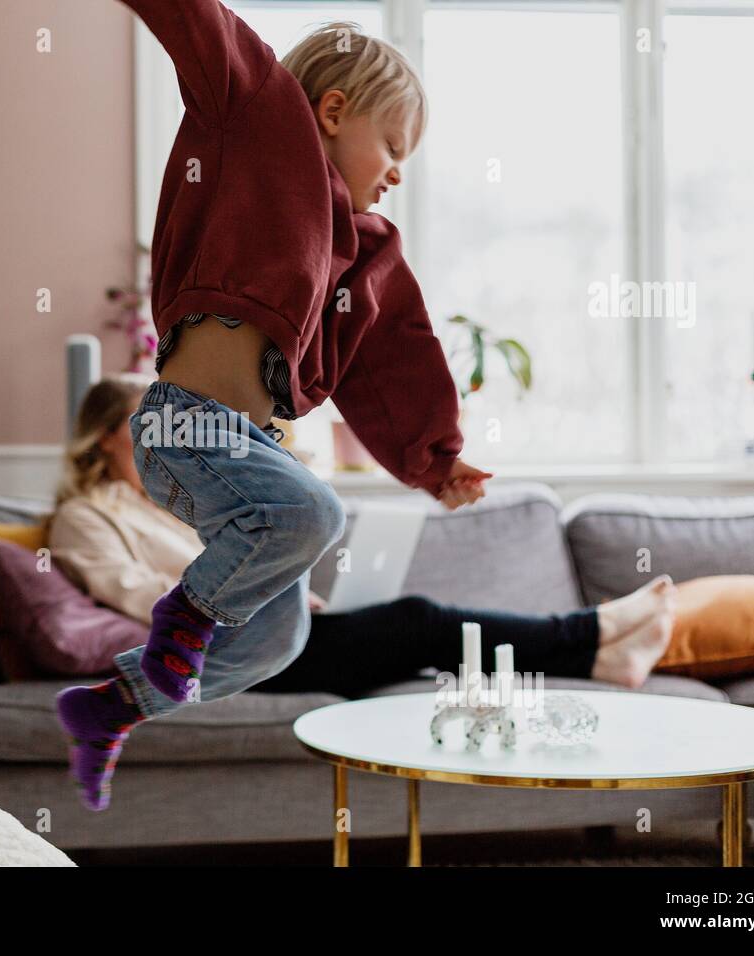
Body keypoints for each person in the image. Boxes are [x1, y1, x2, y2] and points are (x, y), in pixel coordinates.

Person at [56, 5, 508, 810]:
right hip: (183, 427)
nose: (399, 171)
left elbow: (393, 357)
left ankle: (111, 706)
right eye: (394, 147)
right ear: (334, 111)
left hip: (251, 453)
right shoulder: (256, 114)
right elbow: (198, 23)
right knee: (315, 515)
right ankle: (184, 621)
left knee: (279, 638)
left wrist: (434, 461)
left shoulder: (368, 248)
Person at [53, 379, 675, 810]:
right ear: (109, 436)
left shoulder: (178, 497)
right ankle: (590, 634)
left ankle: (595, 654)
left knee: (414, 634)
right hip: (225, 647)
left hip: (259, 620)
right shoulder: (85, 516)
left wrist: (274, 584)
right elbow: (135, 591)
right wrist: (244, 588)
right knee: (417, 622)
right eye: (142, 422)